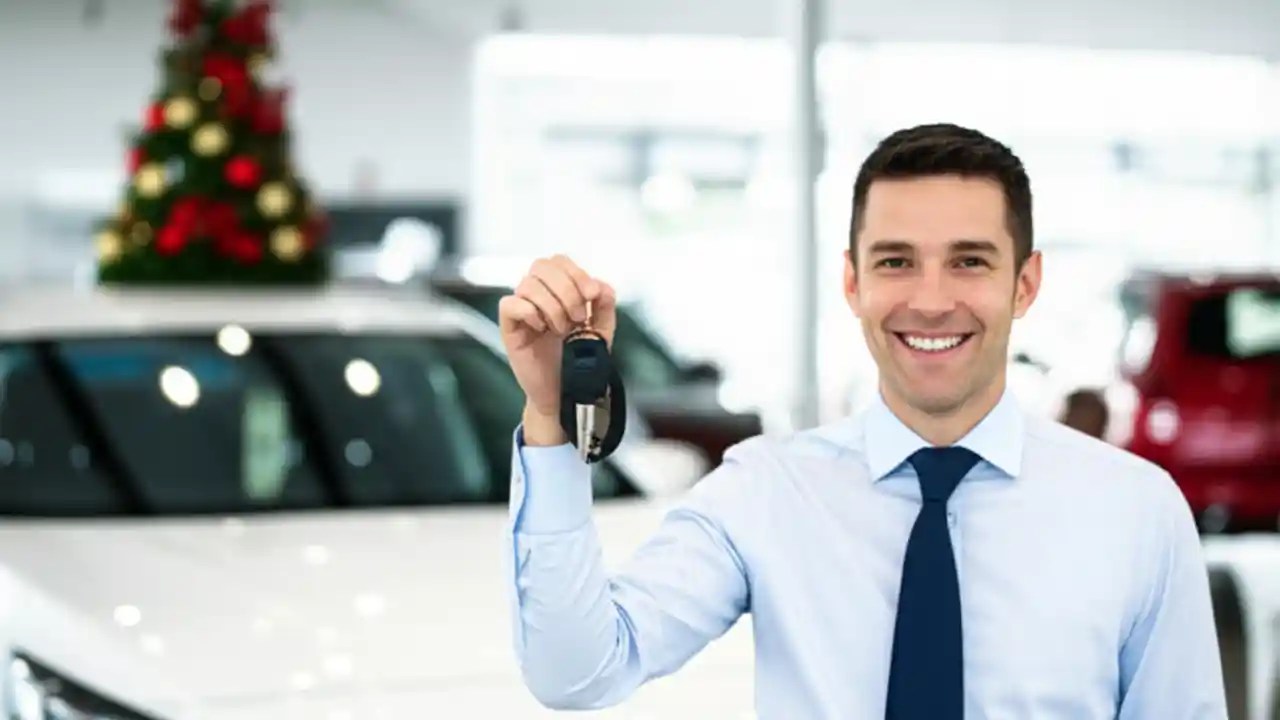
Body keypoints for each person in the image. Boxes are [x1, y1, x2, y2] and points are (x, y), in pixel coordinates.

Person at [498, 123, 1227, 719]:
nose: (932, 299)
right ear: (853, 281)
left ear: (1025, 283)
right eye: (896, 262)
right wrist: (547, 416)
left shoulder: (1134, 510)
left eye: (969, 261)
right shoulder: (766, 491)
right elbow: (578, 672)